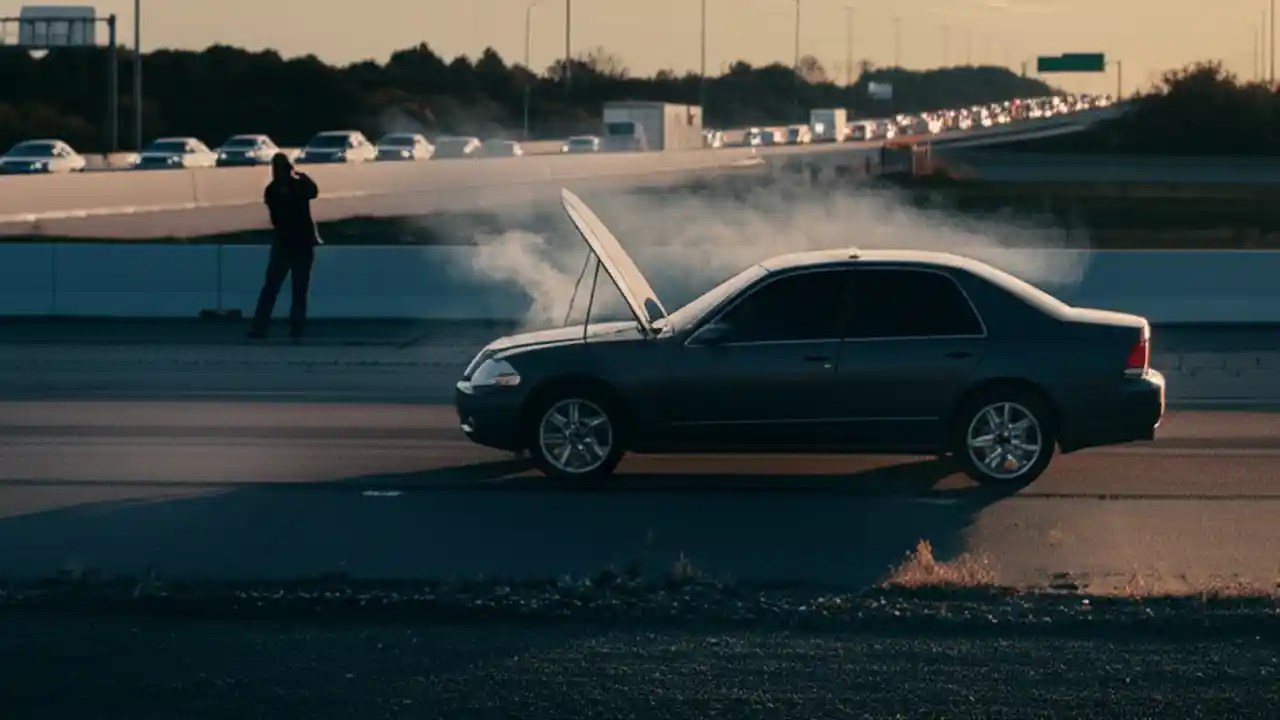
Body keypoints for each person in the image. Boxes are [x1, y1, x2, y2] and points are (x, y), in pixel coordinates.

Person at [248, 152, 321, 339]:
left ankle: (261, 325)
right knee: (297, 289)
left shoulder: (272, 190)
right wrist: (303, 178)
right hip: (299, 243)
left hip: (286, 243)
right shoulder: (297, 187)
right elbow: (313, 192)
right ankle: (295, 327)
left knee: (273, 287)